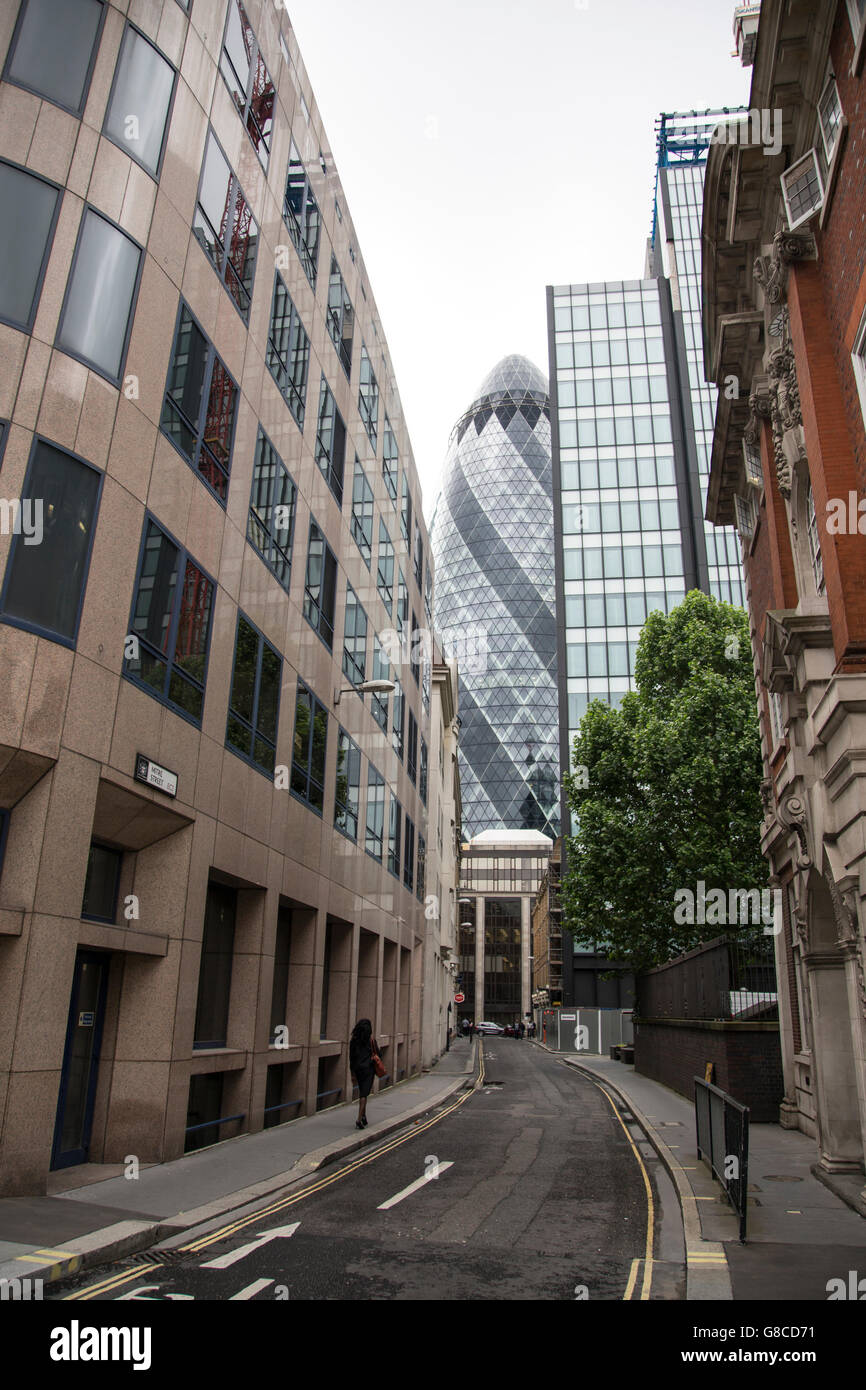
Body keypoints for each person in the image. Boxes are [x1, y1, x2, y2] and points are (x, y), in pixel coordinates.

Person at [349, 1018, 379, 1130]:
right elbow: (378, 1054)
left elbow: (351, 1059)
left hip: (357, 1070)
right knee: (364, 1095)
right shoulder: (371, 1041)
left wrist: (352, 1073)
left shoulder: (354, 1041)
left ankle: (364, 1117)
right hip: (368, 1070)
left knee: (363, 1092)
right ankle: (358, 1119)